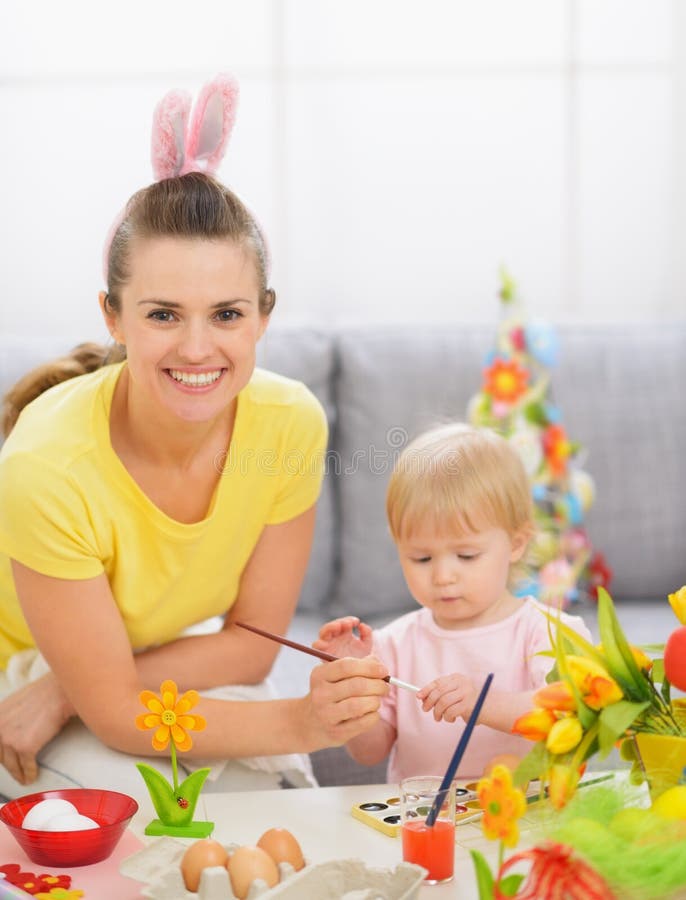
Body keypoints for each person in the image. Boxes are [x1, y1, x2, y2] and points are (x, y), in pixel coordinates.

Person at [0, 74, 388, 798]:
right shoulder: (44, 466)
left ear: (264, 316)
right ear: (113, 317)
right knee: (163, 814)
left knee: (272, 805)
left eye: (228, 315)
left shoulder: (289, 422)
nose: (198, 349)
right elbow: (115, 713)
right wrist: (301, 723)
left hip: (160, 661)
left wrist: (70, 692)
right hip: (29, 664)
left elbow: (247, 648)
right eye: (163, 314)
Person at [313, 422, 593, 783]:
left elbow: (567, 713)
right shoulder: (394, 644)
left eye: (466, 555)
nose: (443, 576)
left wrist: (482, 703)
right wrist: (351, 688)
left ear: (517, 543)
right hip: (426, 825)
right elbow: (370, 753)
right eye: (421, 559)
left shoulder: (547, 632)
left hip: (525, 817)